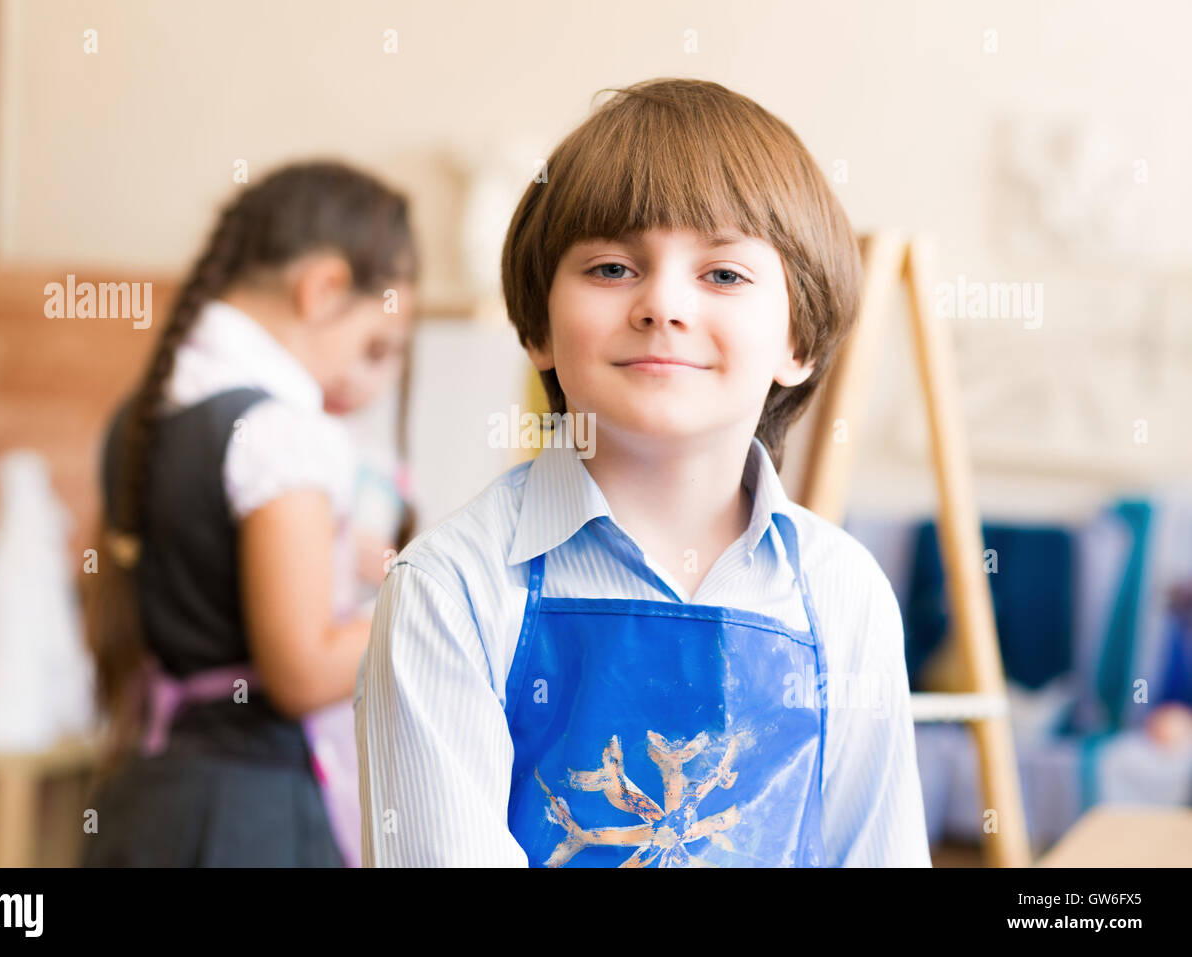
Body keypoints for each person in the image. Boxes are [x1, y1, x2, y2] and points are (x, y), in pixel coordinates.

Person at [356, 78, 931, 867]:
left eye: (723, 275)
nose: (663, 304)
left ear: (797, 341)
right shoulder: (447, 589)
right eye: (611, 268)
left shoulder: (843, 592)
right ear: (540, 328)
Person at [82, 161, 416, 866]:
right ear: (323, 288)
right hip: (249, 818)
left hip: (148, 797)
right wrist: (428, 600)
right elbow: (300, 670)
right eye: (370, 346)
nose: (363, 381)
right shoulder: (282, 431)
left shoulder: (140, 418)